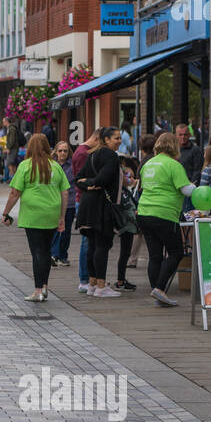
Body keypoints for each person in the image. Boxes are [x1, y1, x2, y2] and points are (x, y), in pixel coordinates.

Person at [2, 134, 69, 303]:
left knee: (37, 252)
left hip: (33, 214)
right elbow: (65, 192)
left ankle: (38, 290)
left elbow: (15, 192)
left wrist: (6, 213)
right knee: (46, 252)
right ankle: (45, 286)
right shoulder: (56, 166)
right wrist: (62, 216)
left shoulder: (25, 166)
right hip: (52, 213)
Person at [137, 132, 198, 307]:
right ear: (174, 146)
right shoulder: (174, 165)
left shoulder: (148, 164)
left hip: (144, 212)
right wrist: (196, 187)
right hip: (164, 214)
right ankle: (160, 288)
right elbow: (186, 190)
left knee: (155, 255)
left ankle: (157, 292)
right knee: (176, 252)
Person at [75, 126, 124, 298]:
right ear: (106, 140)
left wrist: (87, 183)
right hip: (102, 205)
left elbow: (78, 179)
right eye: (116, 138)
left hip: (88, 203)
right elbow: (102, 179)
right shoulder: (110, 155)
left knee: (93, 245)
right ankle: (102, 287)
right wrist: (94, 182)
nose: (119, 141)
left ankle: (92, 284)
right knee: (102, 244)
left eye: (120, 137)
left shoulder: (93, 154)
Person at [71, 128, 102, 293]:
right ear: (97, 138)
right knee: (87, 242)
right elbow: (85, 180)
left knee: (89, 241)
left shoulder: (81, 150)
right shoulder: (84, 154)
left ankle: (89, 278)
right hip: (84, 200)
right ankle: (84, 279)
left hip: (82, 200)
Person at [112, 156, 140, 291]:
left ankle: (121, 279)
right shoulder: (123, 193)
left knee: (125, 253)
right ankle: (120, 280)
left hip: (126, 226)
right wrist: (138, 221)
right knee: (125, 253)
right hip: (127, 226)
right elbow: (130, 211)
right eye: (128, 177)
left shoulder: (124, 191)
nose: (131, 179)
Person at [49, 141, 76, 266]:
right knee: (54, 230)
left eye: (65, 151)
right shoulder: (51, 165)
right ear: (56, 151)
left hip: (69, 202)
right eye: (60, 150)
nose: (63, 153)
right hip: (54, 202)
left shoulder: (73, 165)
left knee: (66, 231)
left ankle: (63, 256)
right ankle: (54, 255)